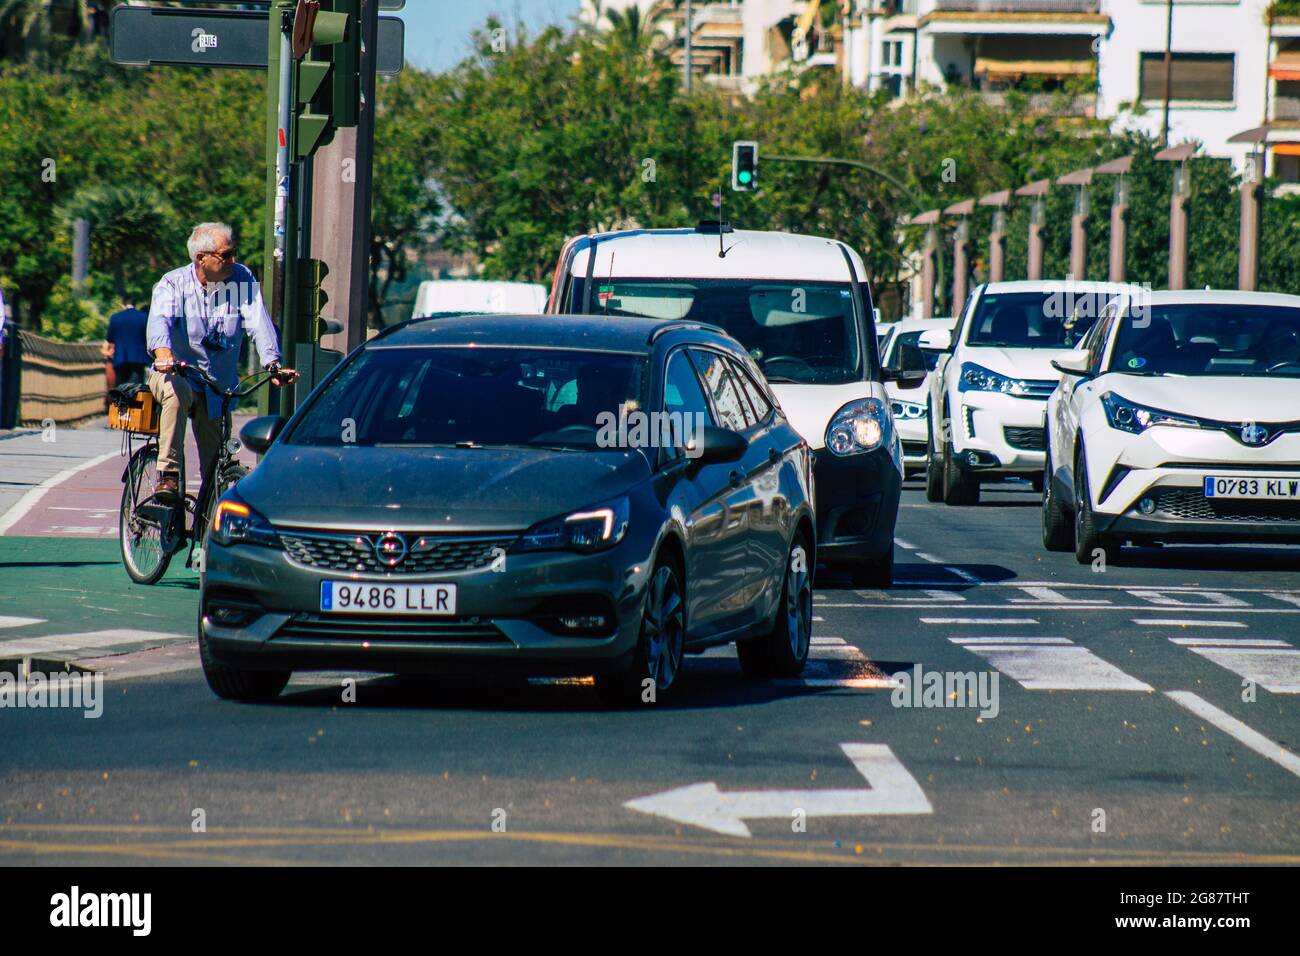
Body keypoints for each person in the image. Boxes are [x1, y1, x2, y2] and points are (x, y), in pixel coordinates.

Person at [147, 222, 297, 501]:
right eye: (225, 255)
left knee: (216, 469)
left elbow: (258, 322)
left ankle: (208, 527)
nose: (233, 261)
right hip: (177, 373)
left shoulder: (241, 280)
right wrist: (164, 355)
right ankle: (168, 475)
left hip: (217, 385)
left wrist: (273, 363)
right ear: (201, 258)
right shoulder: (173, 284)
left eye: (233, 253)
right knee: (176, 392)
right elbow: (159, 323)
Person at [102, 298, 150, 387]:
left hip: (120, 359)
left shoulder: (115, 318)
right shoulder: (144, 317)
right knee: (136, 388)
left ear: (123, 305)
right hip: (138, 359)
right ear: (135, 304)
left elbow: (109, 340)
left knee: (121, 389)